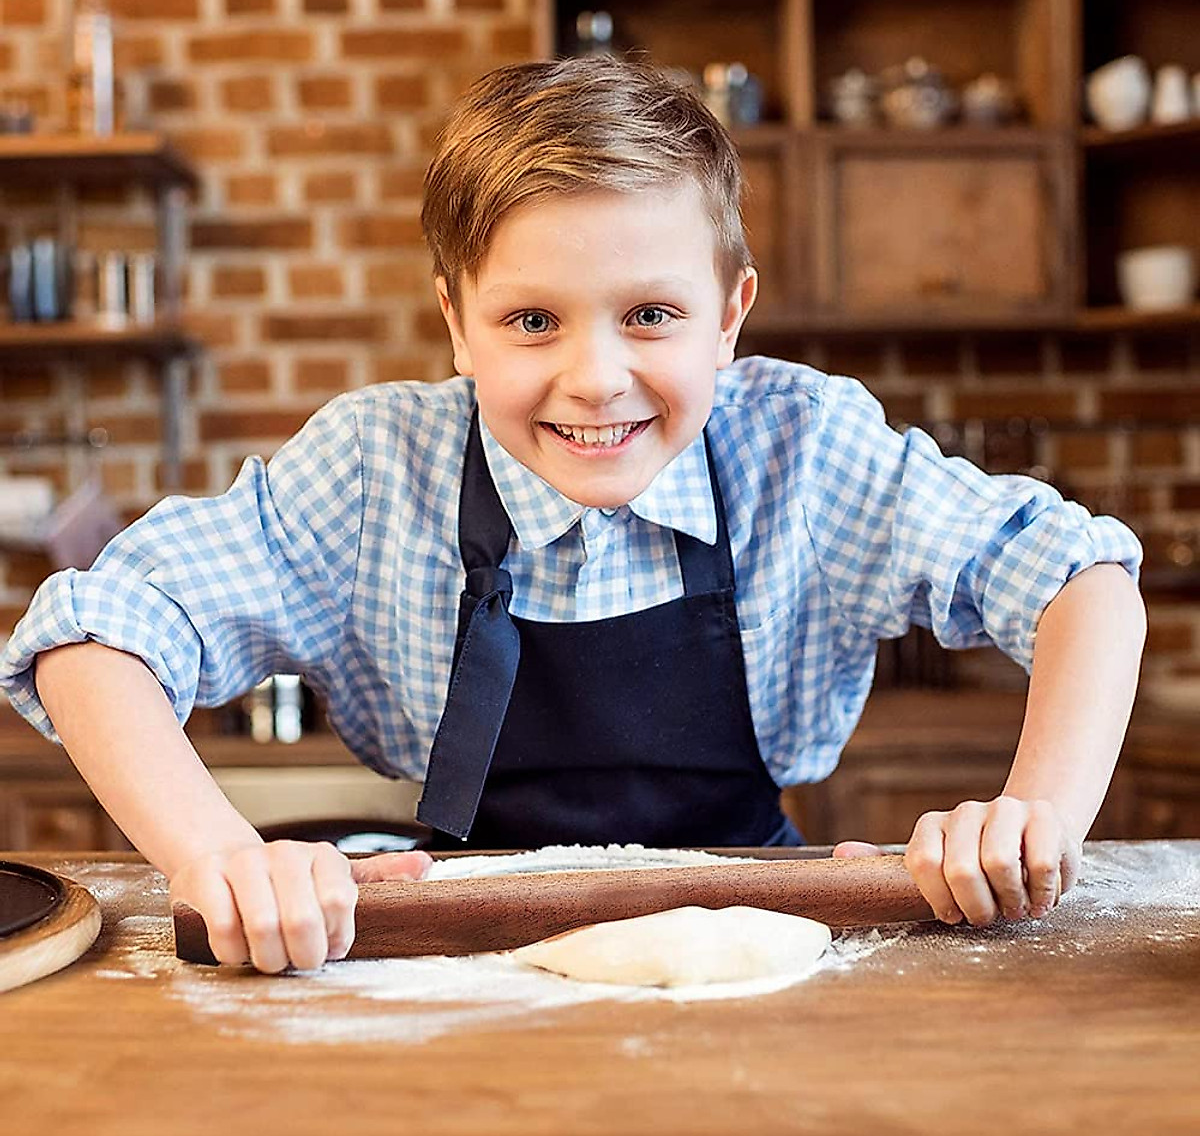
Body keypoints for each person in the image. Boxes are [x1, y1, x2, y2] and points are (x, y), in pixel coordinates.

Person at [0, 56, 1145, 975]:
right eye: (532, 321)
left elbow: (1081, 579)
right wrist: (217, 856)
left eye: (651, 313)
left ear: (729, 315)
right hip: (454, 945)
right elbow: (94, 632)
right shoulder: (372, 469)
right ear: (456, 323)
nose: (597, 379)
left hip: (768, 941)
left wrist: (1031, 814)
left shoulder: (810, 450)